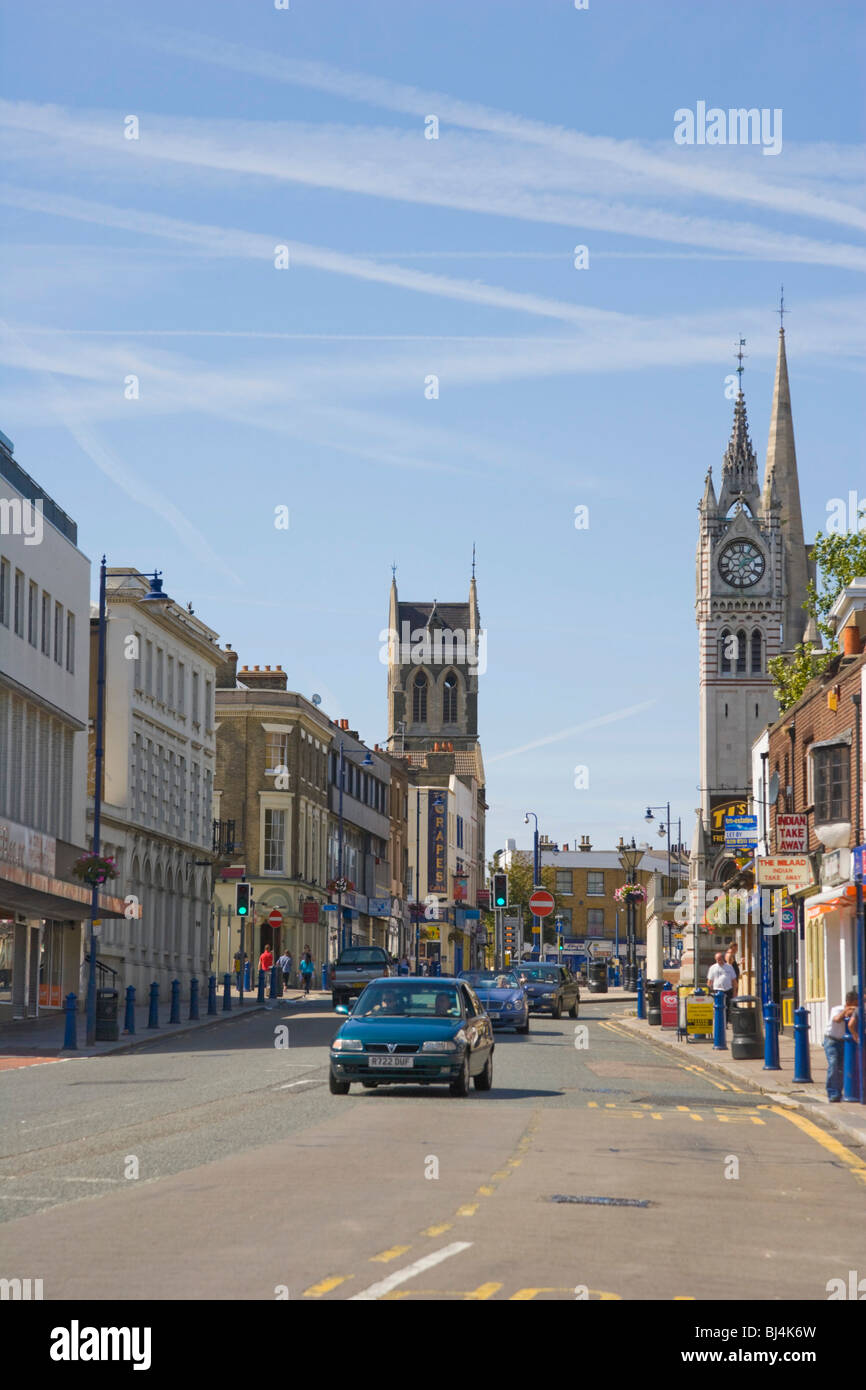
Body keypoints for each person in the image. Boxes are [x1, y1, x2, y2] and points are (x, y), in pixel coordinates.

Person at [824, 991, 859, 1102]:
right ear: (849, 1002)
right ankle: (832, 1092)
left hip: (844, 1042)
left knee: (841, 1068)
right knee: (833, 1065)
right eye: (855, 1003)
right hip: (831, 1041)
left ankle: (838, 1092)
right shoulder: (837, 1009)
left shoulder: (856, 1012)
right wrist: (845, 1011)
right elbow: (837, 1019)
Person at [707, 951, 737, 1024]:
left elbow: (734, 981)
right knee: (718, 1007)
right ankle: (719, 1022)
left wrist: (734, 992)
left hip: (728, 989)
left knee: (727, 1007)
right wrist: (710, 987)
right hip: (718, 990)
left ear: (723, 958)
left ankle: (725, 1022)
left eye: (720, 959)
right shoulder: (713, 968)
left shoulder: (729, 967)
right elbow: (709, 981)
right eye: (717, 959)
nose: (718, 961)